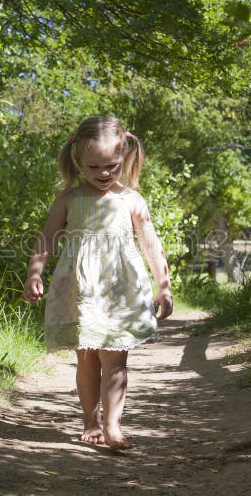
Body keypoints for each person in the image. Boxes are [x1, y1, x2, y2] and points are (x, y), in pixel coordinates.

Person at [23, 115, 173, 450]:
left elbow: (151, 243)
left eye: (112, 166)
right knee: (87, 357)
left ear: (125, 158)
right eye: (94, 168)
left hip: (120, 293)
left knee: (115, 358)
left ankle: (112, 424)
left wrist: (163, 284)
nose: (104, 174)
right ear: (78, 161)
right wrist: (35, 272)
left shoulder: (131, 200)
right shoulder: (68, 199)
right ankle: (90, 421)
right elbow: (47, 239)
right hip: (81, 291)